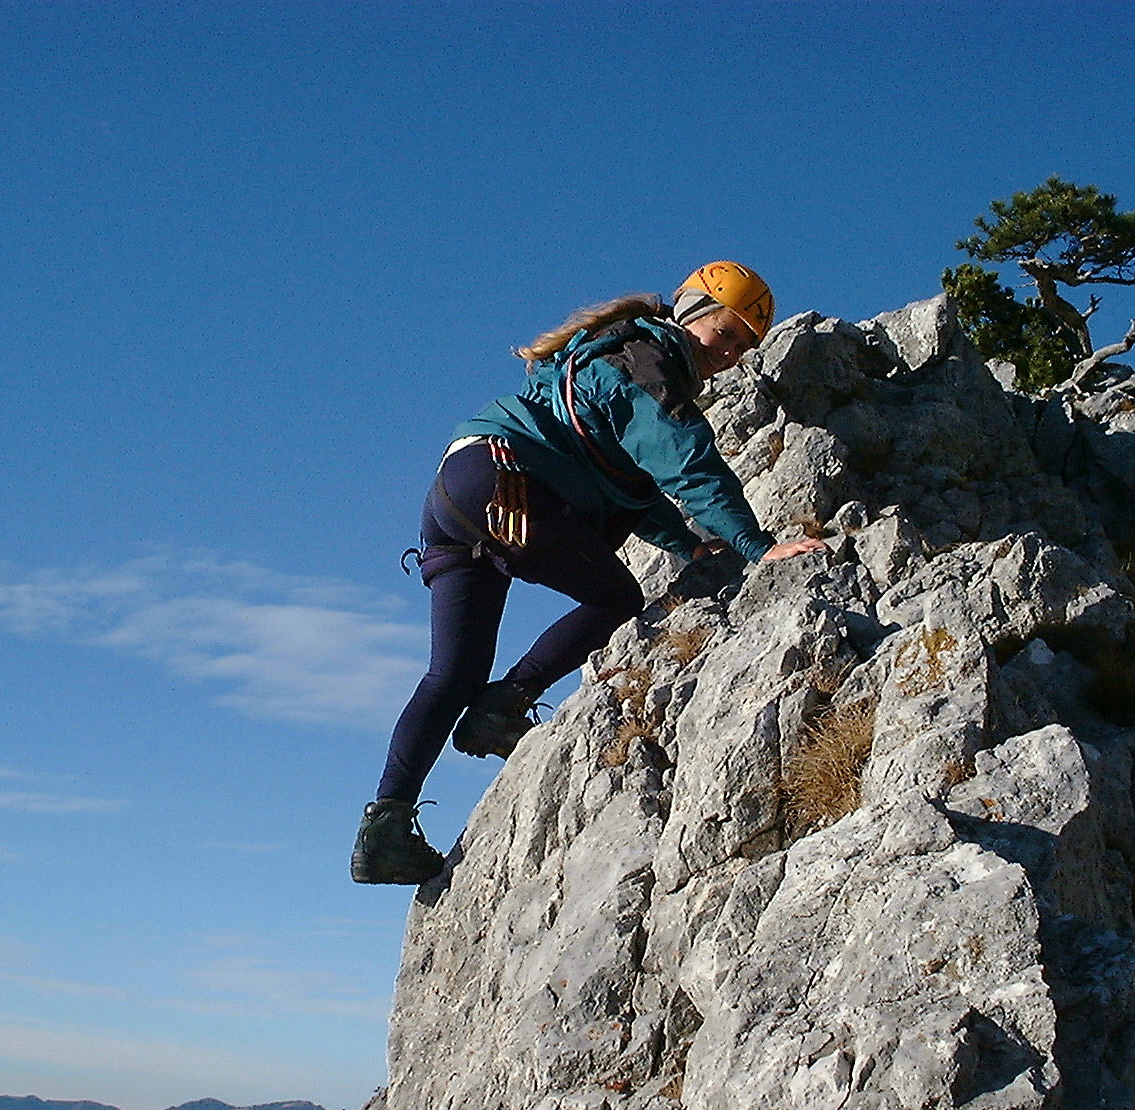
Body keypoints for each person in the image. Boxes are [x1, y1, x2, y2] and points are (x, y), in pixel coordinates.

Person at [352, 262, 827, 885]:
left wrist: (686, 546)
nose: (731, 355)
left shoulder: (603, 359)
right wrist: (755, 546)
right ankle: (505, 705)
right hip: (509, 483)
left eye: (744, 346)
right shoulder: (649, 362)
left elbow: (630, 489)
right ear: (689, 314)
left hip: (458, 494)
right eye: (727, 333)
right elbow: (684, 459)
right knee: (617, 597)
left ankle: (384, 827)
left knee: (453, 672)